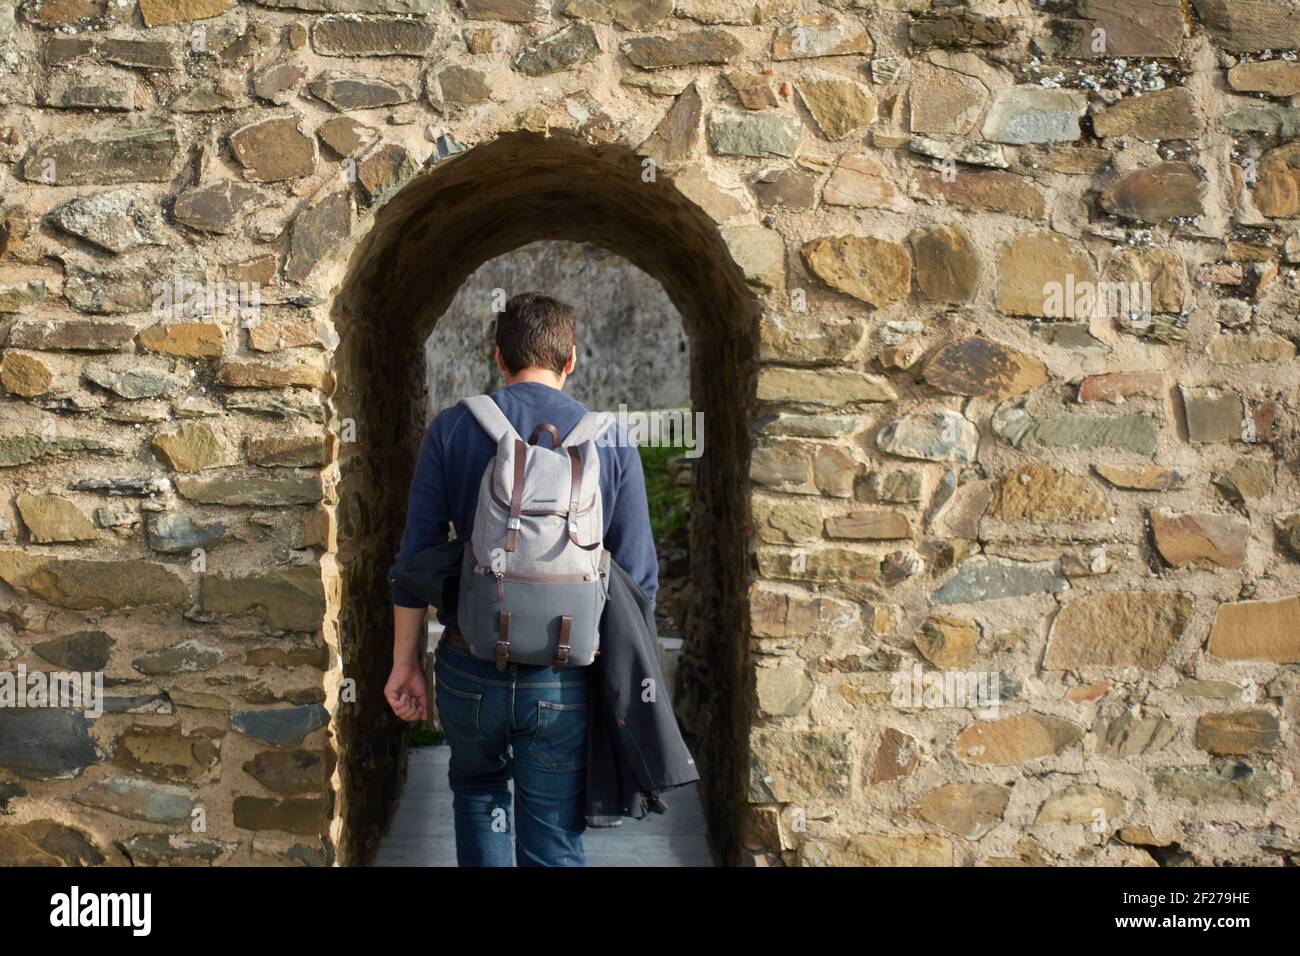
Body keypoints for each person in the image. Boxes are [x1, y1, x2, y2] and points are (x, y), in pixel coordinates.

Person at [384, 291, 659, 866]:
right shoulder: (609, 440)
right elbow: (638, 579)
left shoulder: (454, 429)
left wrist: (405, 662)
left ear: (498, 358)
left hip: (469, 665)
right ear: (572, 359)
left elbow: (415, 562)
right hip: (564, 679)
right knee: (553, 835)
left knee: (479, 794)